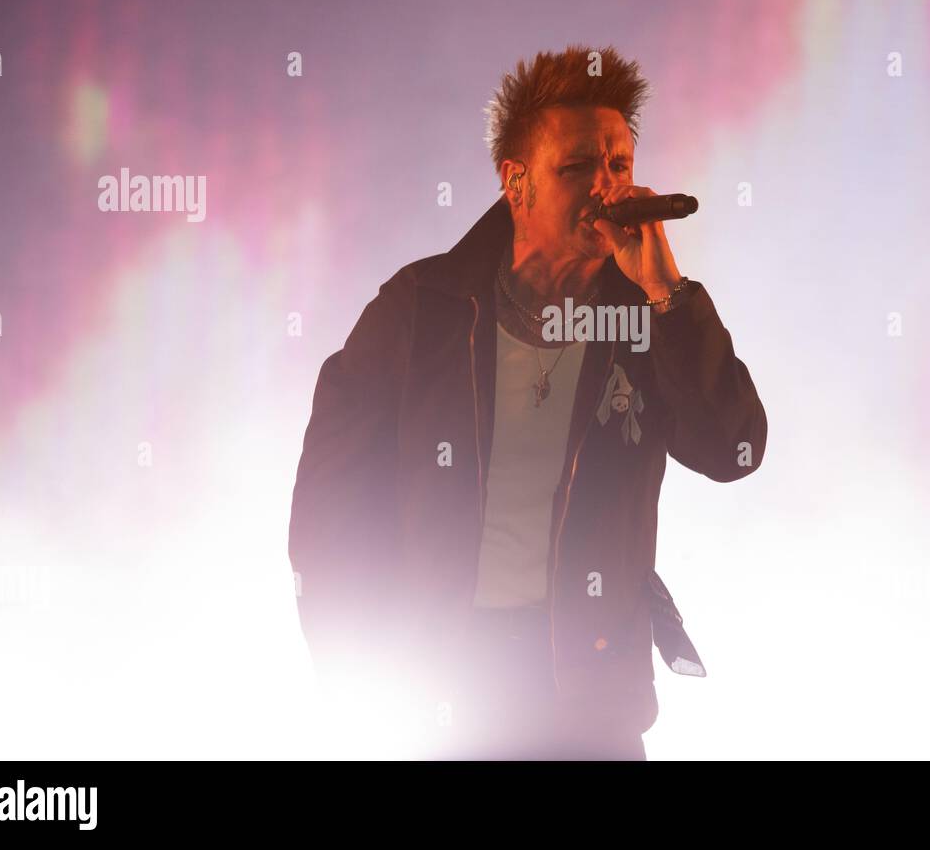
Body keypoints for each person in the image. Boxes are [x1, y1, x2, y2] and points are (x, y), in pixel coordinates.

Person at [288, 44, 767, 760]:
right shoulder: (422, 310)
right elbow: (329, 517)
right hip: (445, 696)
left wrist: (669, 295)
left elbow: (734, 450)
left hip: (591, 696)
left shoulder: (644, 321)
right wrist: (364, 673)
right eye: (577, 168)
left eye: (620, 166)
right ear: (516, 183)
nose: (607, 189)